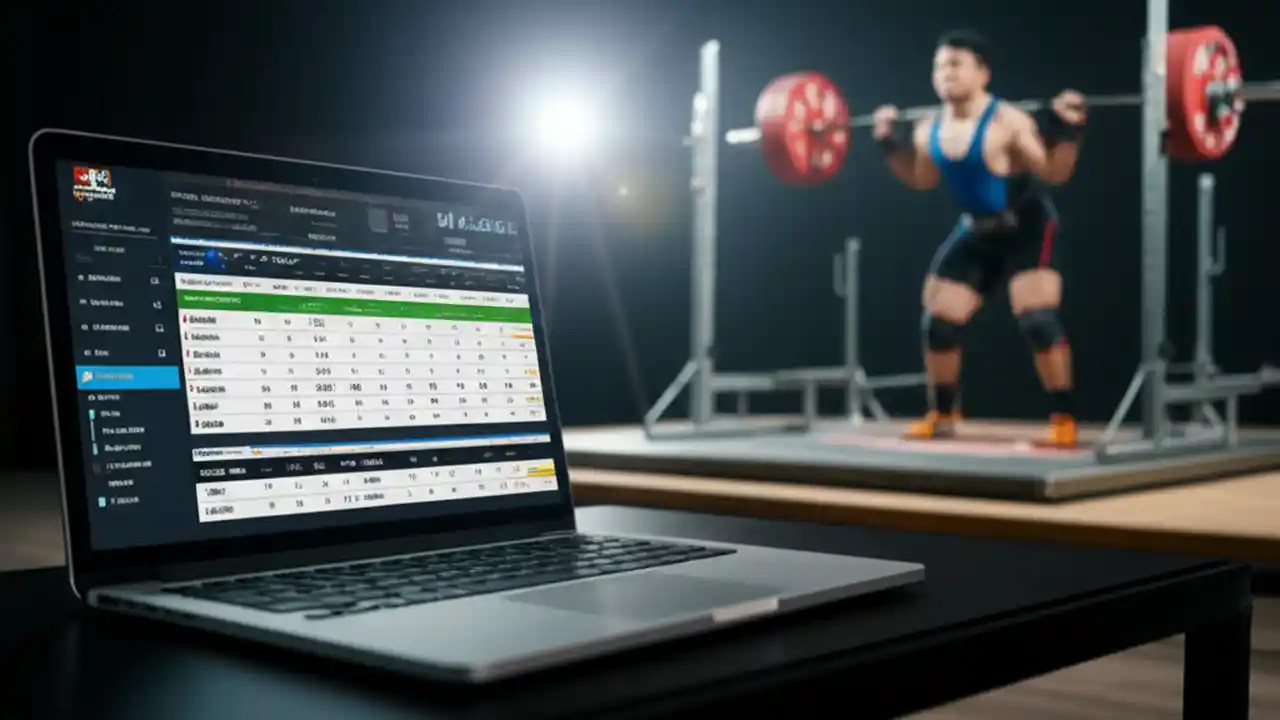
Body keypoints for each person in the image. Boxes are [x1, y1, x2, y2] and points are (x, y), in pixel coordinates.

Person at [871, 28, 1087, 447]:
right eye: (939, 66)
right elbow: (919, 178)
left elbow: (1054, 173)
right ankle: (944, 414)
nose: (944, 73)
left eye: (955, 64)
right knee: (938, 323)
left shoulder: (1009, 121)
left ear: (983, 73)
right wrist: (889, 146)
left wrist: (1068, 132)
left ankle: (1064, 419)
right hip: (977, 230)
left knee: (1038, 319)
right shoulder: (926, 129)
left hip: (1027, 225)